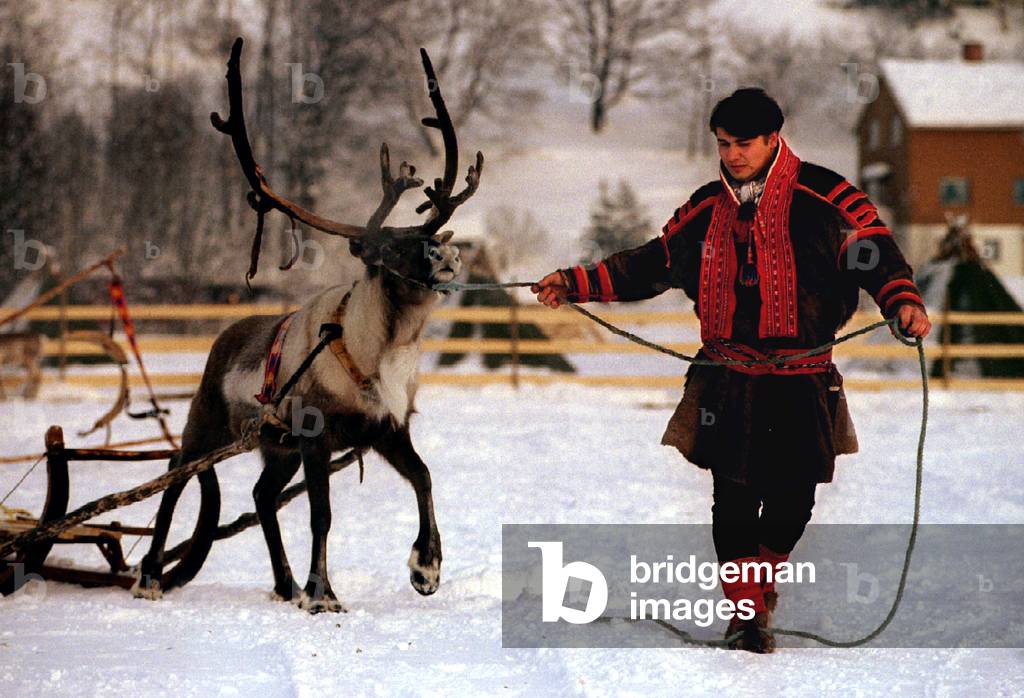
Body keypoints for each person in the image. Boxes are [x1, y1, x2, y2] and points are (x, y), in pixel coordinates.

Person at [531, 88, 931, 653]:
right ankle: (745, 614)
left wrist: (902, 302)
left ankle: (760, 587)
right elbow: (650, 264)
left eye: (744, 143)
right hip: (728, 376)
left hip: (803, 375)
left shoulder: (829, 199)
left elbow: (879, 255)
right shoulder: (703, 210)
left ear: (773, 139)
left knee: (796, 497)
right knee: (734, 495)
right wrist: (575, 282)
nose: (733, 155)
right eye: (723, 144)